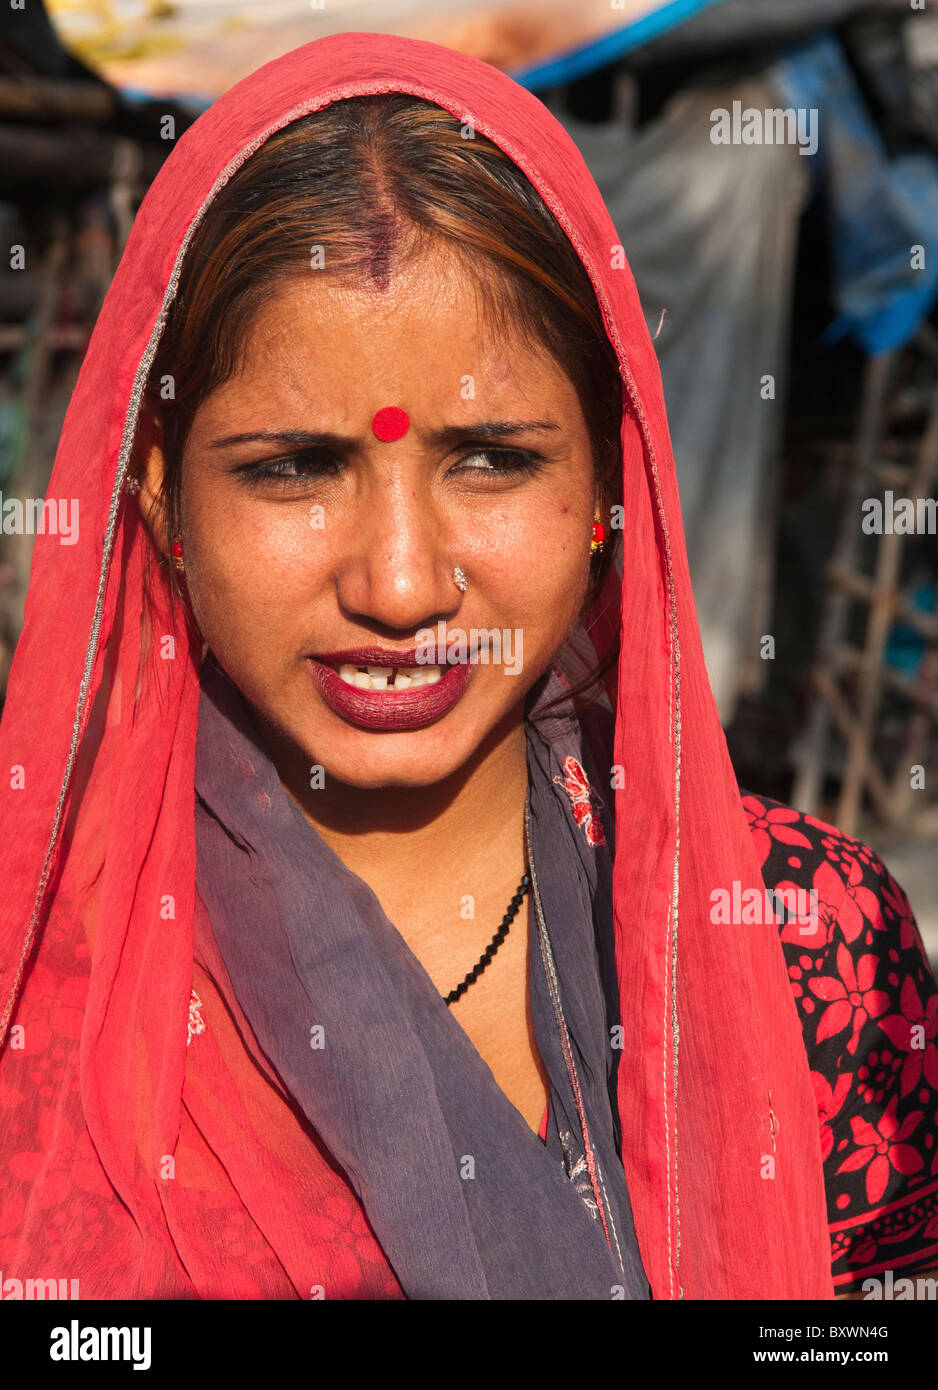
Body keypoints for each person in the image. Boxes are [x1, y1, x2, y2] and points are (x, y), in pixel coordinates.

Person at [0, 31, 935, 1301]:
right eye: (293, 467)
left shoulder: (800, 948)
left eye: (491, 458)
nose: (398, 586)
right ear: (161, 495)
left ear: (609, 477)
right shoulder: (44, 989)